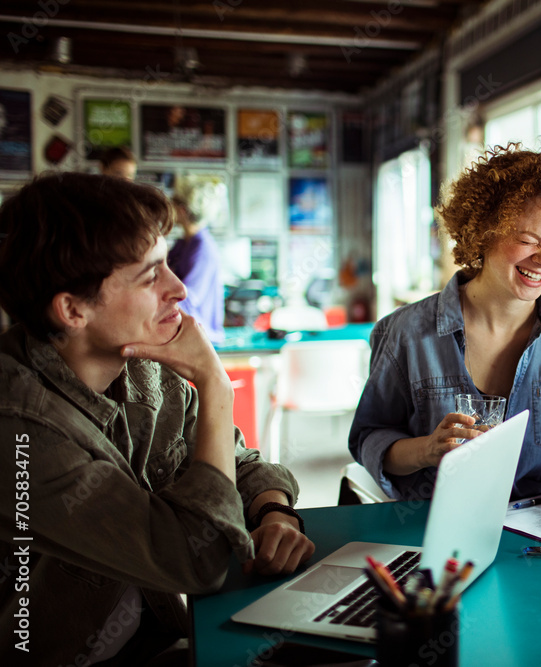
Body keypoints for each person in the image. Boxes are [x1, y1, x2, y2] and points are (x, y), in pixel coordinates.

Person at [0, 173, 314, 666]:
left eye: (168, 263)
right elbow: (196, 559)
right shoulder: (19, 427)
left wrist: (273, 511)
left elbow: (237, 461)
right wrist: (213, 382)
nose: (180, 289)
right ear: (72, 309)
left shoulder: (143, 367)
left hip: (155, 637)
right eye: (151, 276)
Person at [349, 141, 541, 524]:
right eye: (528, 240)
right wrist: (427, 449)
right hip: (430, 528)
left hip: (540, 538)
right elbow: (370, 438)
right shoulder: (406, 333)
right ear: (484, 230)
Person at [167, 192, 225, 343]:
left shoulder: (203, 248)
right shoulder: (183, 244)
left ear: (182, 210)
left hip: (201, 335)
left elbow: (188, 298)